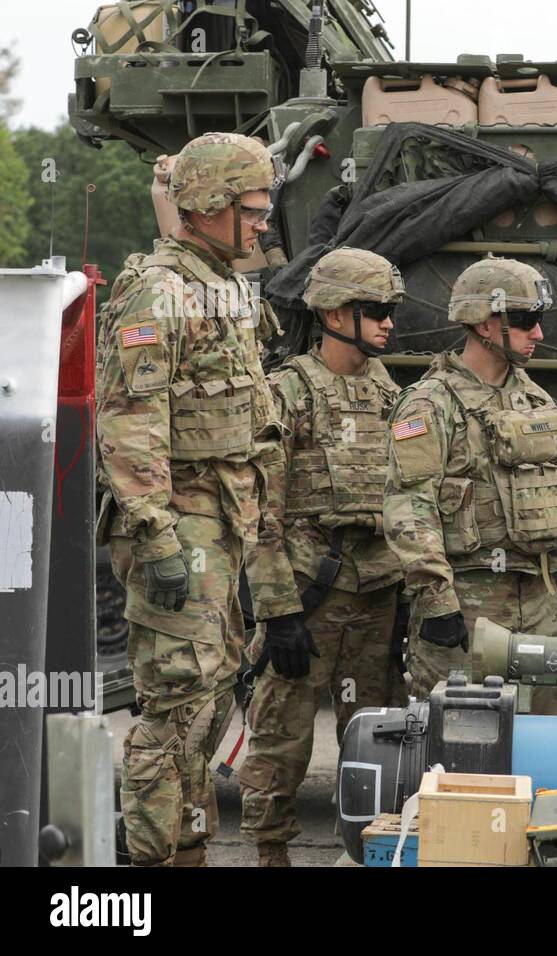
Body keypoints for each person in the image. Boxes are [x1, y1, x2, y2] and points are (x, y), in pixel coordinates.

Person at [96, 132, 301, 866]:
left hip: (222, 522)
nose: (263, 223)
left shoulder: (220, 285)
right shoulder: (161, 289)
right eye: (250, 209)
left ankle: (187, 845)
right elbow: (129, 419)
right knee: (177, 700)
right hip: (179, 524)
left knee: (209, 696)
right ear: (208, 205)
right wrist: (154, 537)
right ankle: (150, 861)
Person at [383, 256, 557, 714]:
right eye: (526, 321)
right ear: (486, 325)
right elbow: (409, 508)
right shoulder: (430, 404)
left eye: (539, 321)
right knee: (459, 749)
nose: (539, 334)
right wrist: (436, 599)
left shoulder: (536, 400)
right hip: (467, 610)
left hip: (541, 607)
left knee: (548, 747)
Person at [239, 248, 408, 866]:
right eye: (377, 310)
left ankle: (371, 852)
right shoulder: (287, 393)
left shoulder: (393, 395)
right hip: (310, 593)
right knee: (281, 740)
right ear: (336, 313)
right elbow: (261, 513)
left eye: (392, 310)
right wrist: (278, 611)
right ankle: (268, 853)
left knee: (377, 742)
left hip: (378, 594)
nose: (390, 322)